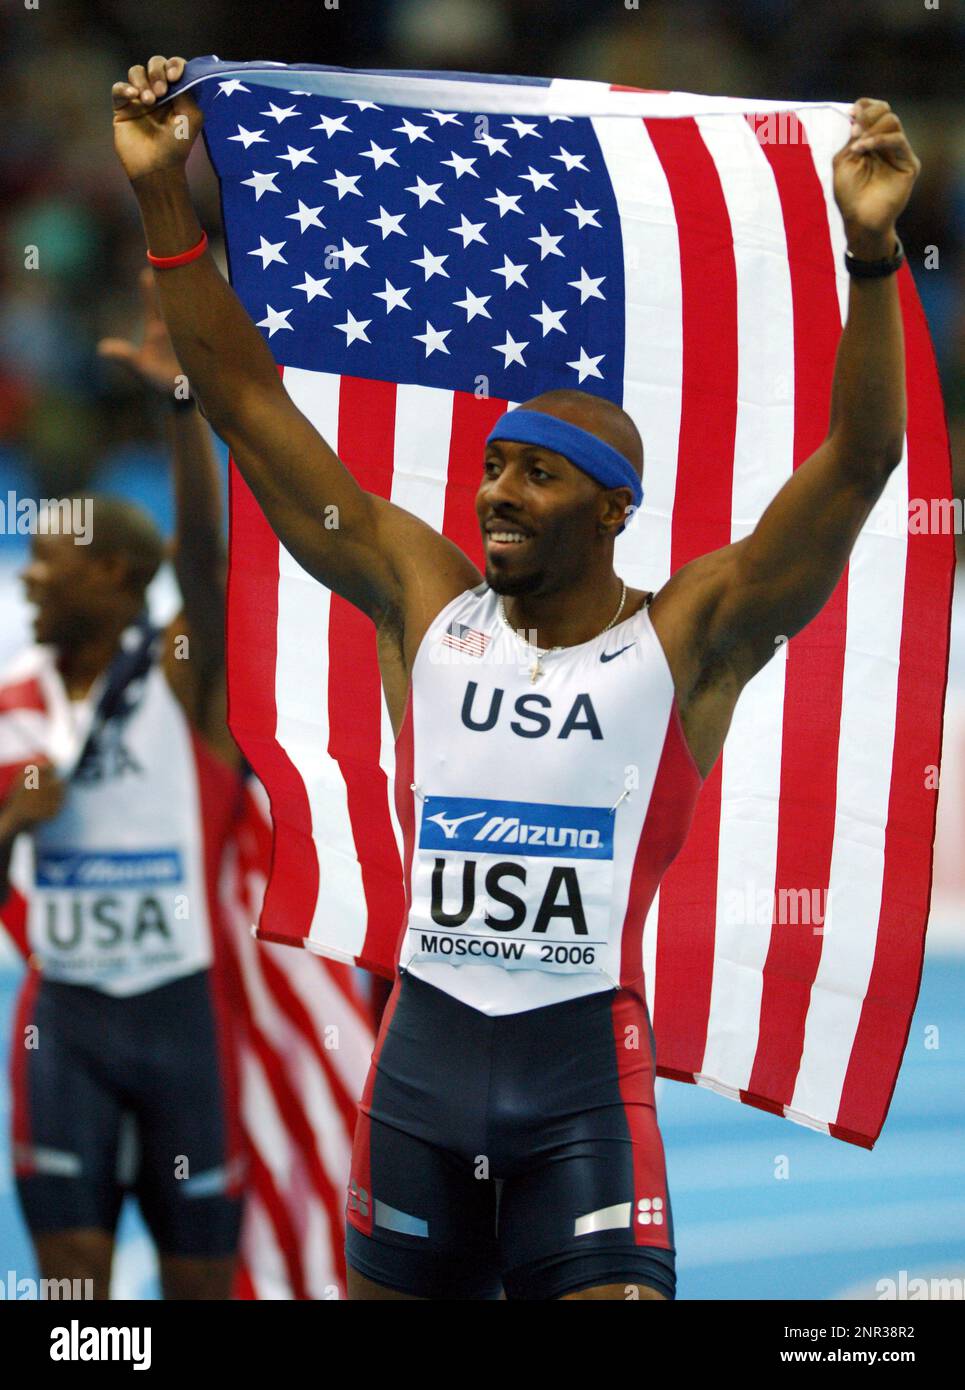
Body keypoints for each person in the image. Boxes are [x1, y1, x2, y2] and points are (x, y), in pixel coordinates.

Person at [111, 56, 920, 1300]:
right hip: (417, 1087)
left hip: (582, 1094)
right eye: (492, 467)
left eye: (535, 474)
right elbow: (250, 407)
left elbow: (858, 463)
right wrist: (166, 199)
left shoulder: (687, 638)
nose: (495, 491)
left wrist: (867, 258)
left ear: (610, 509)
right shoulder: (423, 602)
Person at [0, 270, 246, 1299]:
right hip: (66, 1031)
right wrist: (10, 825)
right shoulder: (12, 705)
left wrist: (182, 406)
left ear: (110, 577)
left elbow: (207, 567)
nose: (27, 576)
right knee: (74, 1307)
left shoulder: (179, 678)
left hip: (181, 1025)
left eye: (47, 560)